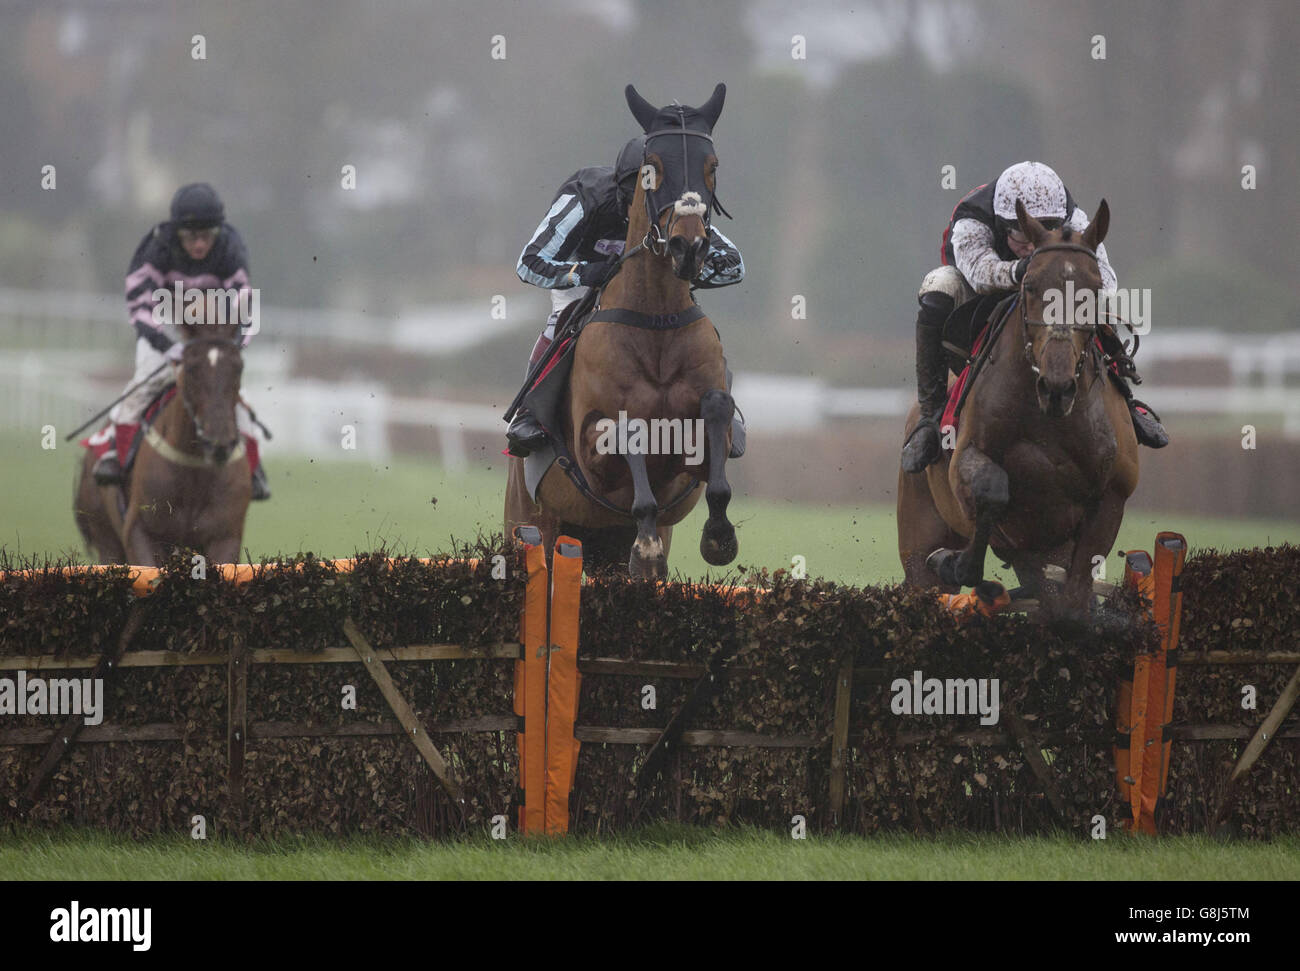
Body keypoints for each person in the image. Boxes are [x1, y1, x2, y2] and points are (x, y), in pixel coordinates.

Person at [900, 161, 1168, 474]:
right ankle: (930, 420)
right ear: (1002, 225)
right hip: (978, 293)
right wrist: (1027, 270)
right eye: (1022, 234)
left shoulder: (1072, 215)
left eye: (1044, 231)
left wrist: (1071, 275)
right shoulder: (973, 217)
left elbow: (1106, 279)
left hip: (1045, 289)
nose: (1031, 244)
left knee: (1082, 292)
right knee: (938, 285)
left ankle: (1126, 403)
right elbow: (981, 273)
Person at [506, 136, 746, 457]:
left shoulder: (672, 205)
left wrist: (689, 267)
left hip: (647, 291)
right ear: (623, 188)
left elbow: (735, 267)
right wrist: (585, 273)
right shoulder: (584, 197)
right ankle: (531, 413)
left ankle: (724, 414)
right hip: (582, 280)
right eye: (636, 194)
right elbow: (528, 264)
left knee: (696, 327)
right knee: (562, 320)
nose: (642, 206)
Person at [93, 183, 270, 499]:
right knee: (143, 386)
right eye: (191, 237)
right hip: (165, 332)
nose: (200, 244)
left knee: (233, 397)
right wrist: (167, 346)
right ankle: (115, 457)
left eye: (207, 235)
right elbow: (139, 305)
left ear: (218, 231)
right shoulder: (157, 247)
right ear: (178, 232)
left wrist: (227, 347)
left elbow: (245, 306)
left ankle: (253, 471)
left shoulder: (229, 247)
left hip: (210, 335)